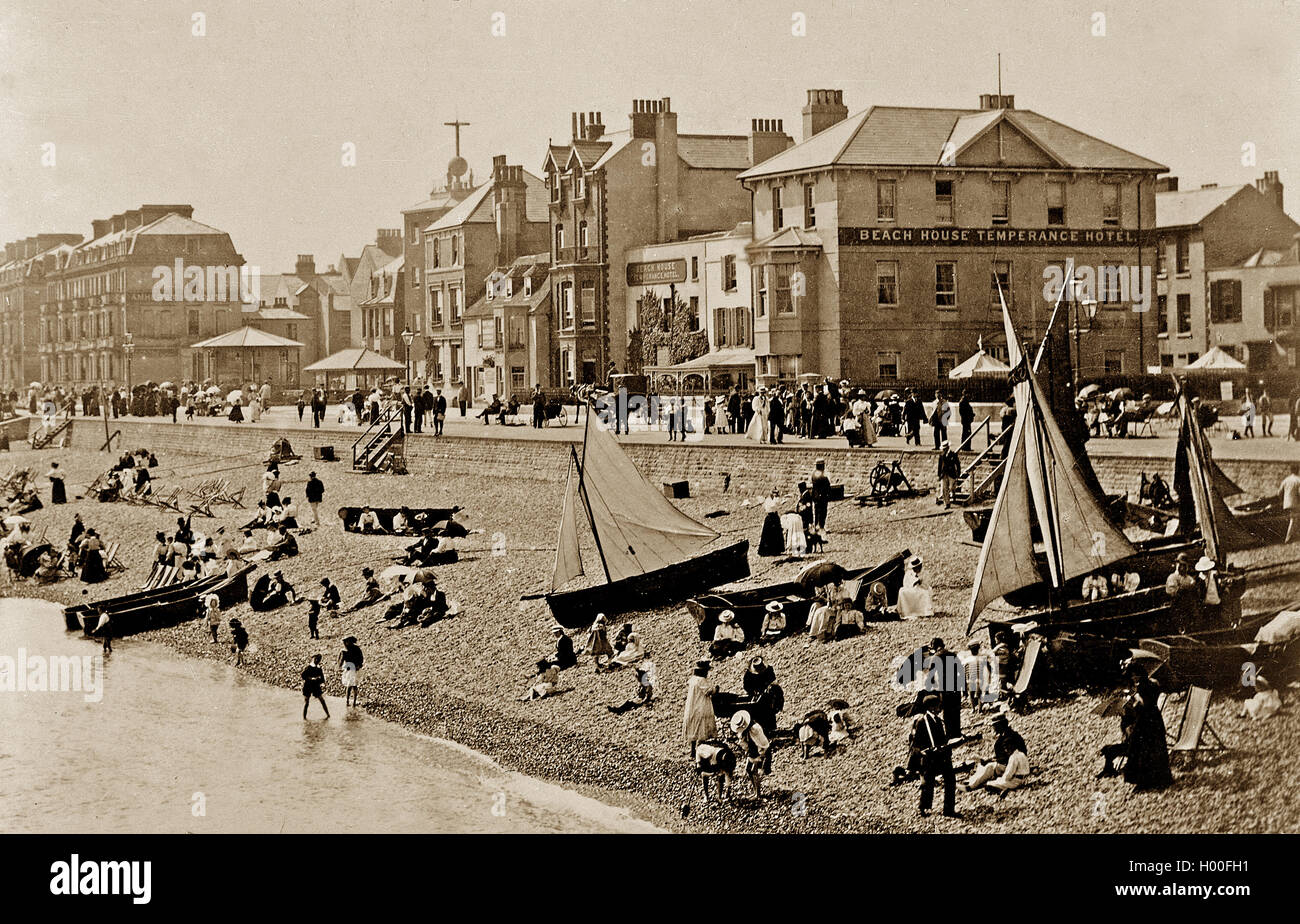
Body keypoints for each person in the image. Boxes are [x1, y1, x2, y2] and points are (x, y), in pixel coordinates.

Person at [1098, 660, 1173, 791]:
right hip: (1152, 720)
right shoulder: (1151, 683)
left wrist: (1135, 698)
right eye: (1132, 676)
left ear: (1140, 674)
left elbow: (1144, 704)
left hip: (1146, 721)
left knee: (1143, 751)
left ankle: (1146, 782)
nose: (1134, 678)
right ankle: (1157, 780)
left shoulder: (1144, 687)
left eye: (1135, 675)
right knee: (1151, 750)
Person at [910, 693, 959, 817]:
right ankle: (923, 807)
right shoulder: (921, 722)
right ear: (931, 708)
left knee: (950, 780)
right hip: (930, 758)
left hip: (942, 756)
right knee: (928, 783)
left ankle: (949, 810)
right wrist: (925, 752)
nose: (940, 708)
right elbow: (916, 744)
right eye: (938, 706)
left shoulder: (938, 720)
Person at [966, 711, 1030, 794]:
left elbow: (1008, 757)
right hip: (1009, 765)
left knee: (990, 766)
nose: (993, 728)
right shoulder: (1005, 735)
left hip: (1013, 767)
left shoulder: (1009, 737)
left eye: (994, 726)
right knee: (983, 765)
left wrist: (991, 760)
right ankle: (971, 781)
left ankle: (971, 786)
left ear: (1000, 725)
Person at [730, 710, 771, 801]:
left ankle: (758, 794)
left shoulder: (755, 729)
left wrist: (761, 756)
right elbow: (744, 744)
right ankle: (754, 791)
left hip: (759, 752)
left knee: (754, 772)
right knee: (748, 770)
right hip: (751, 752)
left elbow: (763, 743)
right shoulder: (742, 732)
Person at [682, 660, 718, 758]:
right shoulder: (701, 680)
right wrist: (716, 689)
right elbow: (709, 691)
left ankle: (693, 750)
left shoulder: (693, 679)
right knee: (702, 726)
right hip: (701, 705)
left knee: (693, 727)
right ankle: (702, 750)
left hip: (692, 705)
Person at [302, 655, 330, 719]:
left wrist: (317, 679)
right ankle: (304, 718)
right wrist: (311, 679)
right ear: (314, 659)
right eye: (316, 660)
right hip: (308, 686)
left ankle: (328, 715)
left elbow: (322, 680)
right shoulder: (309, 668)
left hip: (315, 686)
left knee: (322, 700)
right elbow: (303, 676)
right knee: (307, 703)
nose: (316, 661)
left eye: (318, 660)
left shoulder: (319, 669)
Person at [758, 488, 784, 556]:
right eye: (774, 493)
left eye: (776, 493)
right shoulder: (769, 500)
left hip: (775, 516)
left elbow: (778, 505)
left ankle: (776, 550)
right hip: (770, 517)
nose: (775, 494)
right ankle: (767, 550)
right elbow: (772, 506)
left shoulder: (775, 499)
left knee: (776, 533)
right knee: (768, 534)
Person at [339, 636, 363, 707]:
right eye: (345, 642)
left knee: (353, 685)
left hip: (354, 668)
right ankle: (348, 701)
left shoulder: (356, 649)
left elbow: (361, 658)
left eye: (347, 641)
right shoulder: (344, 651)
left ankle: (353, 702)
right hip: (349, 669)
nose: (346, 643)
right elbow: (340, 661)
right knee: (349, 686)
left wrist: (359, 665)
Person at [936, 440, 960, 508]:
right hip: (944, 474)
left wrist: (958, 472)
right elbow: (939, 466)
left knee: (951, 487)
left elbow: (957, 464)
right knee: (944, 489)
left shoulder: (953, 454)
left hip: (951, 473)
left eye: (944, 449)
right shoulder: (941, 455)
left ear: (947, 448)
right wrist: (939, 474)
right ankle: (947, 503)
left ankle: (953, 494)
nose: (943, 450)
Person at [1281, 463, 1300, 543]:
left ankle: (1295, 535)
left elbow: (1279, 492)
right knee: (1293, 520)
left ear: (1291, 470)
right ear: (1298, 470)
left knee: (1295, 519)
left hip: (1286, 504)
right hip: (1295, 503)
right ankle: (1288, 538)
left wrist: (1282, 500)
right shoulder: (1298, 480)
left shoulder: (1286, 480)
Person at [811, 459, 831, 532]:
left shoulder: (814, 474)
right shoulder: (823, 475)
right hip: (822, 496)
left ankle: (816, 525)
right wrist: (829, 494)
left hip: (815, 496)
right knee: (823, 512)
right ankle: (822, 526)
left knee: (816, 511)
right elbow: (827, 486)